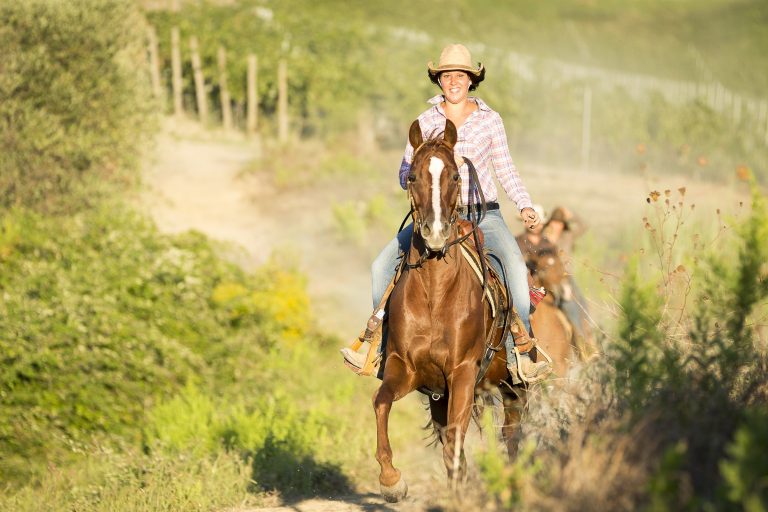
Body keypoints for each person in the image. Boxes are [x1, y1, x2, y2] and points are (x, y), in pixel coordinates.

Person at [343, 43, 550, 381]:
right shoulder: (424, 121)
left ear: (472, 80)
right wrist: (416, 176)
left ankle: (521, 357)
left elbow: (505, 168)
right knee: (380, 267)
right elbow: (404, 173)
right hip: (433, 216)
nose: (453, 81)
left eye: (460, 75)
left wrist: (524, 204)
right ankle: (381, 350)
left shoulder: (489, 120)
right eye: (447, 75)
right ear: (438, 80)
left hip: (483, 214)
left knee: (515, 275)